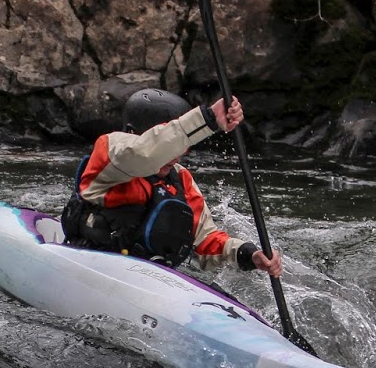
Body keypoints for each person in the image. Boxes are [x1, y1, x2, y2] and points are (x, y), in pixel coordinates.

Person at [60, 88, 283, 278]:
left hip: (148, 278)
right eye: (174, 147)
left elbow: (205, 241)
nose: (176, 158)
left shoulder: (180, 179)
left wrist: (248, 254)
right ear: (132, 133)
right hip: (91, 266)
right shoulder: (111, 152)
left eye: (182, 150)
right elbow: (146, 153)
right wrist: (208, 118)